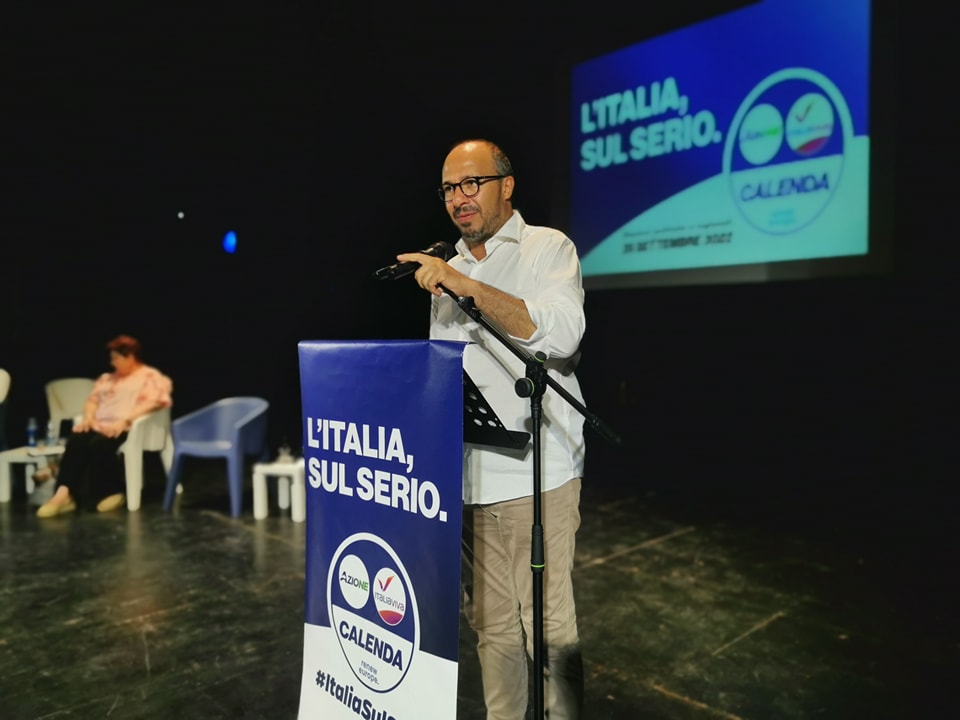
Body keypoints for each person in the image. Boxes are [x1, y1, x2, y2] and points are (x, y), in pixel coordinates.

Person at [397, 139, 587, 719]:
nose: (459, 198)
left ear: (506, 185)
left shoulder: (547, 248)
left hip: (538, 476)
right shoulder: (447, 268)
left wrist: (467, 287)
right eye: (449, 189)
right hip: (470, 479)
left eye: (471, 183)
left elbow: (561, 335)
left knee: (549, 628)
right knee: (491, 629)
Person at [36, 335, 173, 517]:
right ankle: (64, 494)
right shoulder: (107, 378)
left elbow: (156, 401)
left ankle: (111, 491)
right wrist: (88, 418)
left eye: (116, 358)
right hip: (100, 424)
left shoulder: (149, 376)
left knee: (100, 444)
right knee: (76, 440)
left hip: (130, 426)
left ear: (130, 356)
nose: (112, 362)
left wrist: (126, 420)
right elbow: (92, 400)